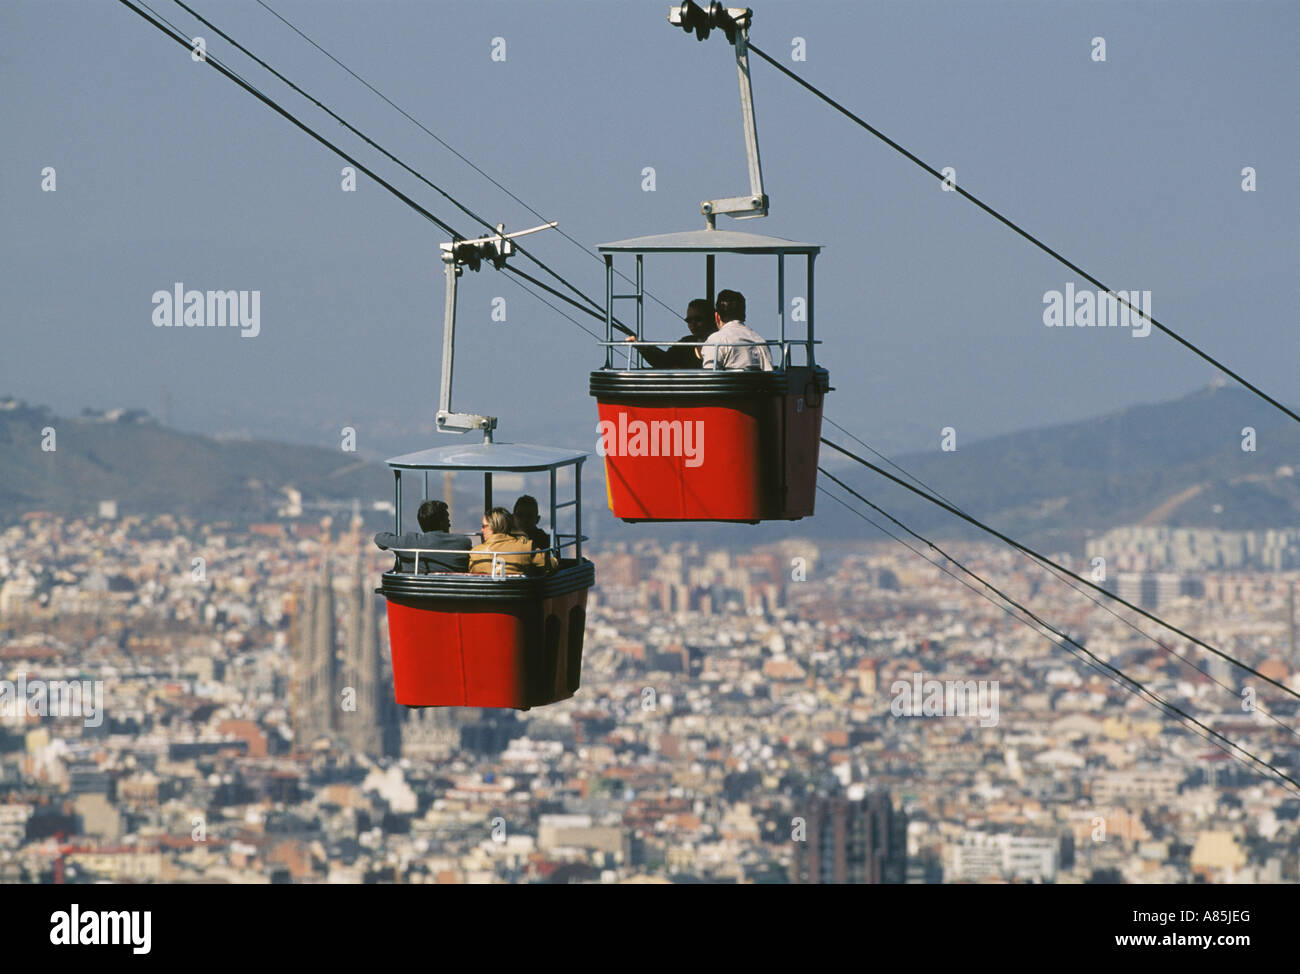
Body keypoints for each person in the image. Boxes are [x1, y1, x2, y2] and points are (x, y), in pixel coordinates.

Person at [373, 499, 472, 573]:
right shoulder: (463, 543)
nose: (449, 524)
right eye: (447, 519)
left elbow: (379, 539)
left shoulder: (411, 542)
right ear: (442, 522)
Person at [623, 298, 717, 368]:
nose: (693, 324)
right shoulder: (686, 343)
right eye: (689, 320)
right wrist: (643, 349)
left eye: (698, 319)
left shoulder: (721, 342)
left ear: (711, 319)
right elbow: (664, 361)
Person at [700, 289, 773, 371]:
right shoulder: (760, 341)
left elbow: (710, 376)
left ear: (717, 317)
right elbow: (769, 373)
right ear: (743, 316)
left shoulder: (716, 340)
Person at [469, 507, 553, 576]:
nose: (482, 529)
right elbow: (551, 564)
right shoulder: (526, 548)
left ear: (494, 526)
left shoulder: (475, 553)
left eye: (484, 526)